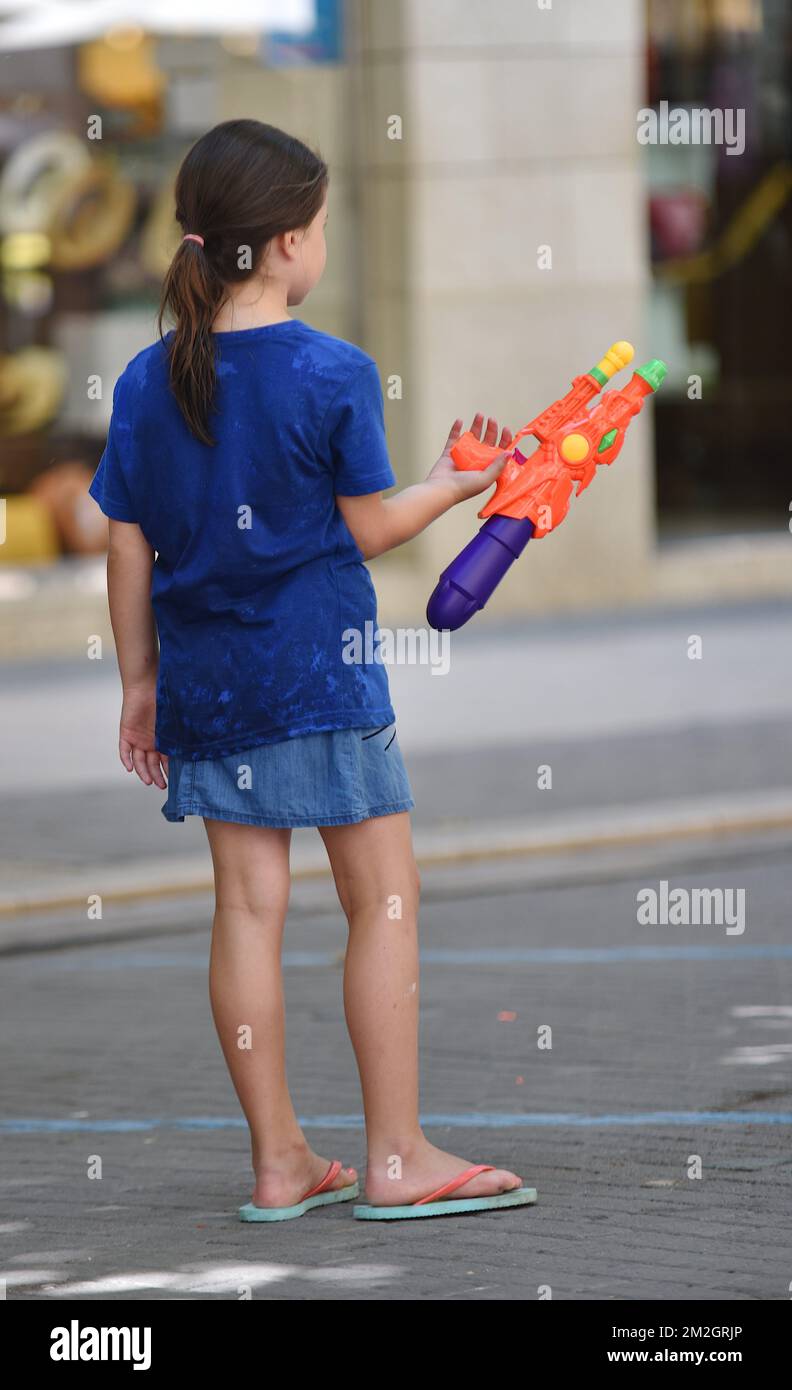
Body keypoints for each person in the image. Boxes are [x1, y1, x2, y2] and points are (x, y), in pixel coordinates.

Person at [90, 119, 536, 1221]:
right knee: (382, 896)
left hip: (208, 684)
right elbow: (373, 529)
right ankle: (395, 1156)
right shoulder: (332, 371)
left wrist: (139, 687)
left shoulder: (150, 380)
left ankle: (281, 1162)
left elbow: (126, 542)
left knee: (247, 909)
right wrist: (453, 481)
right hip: (322, 680)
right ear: (288, 241)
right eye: (323, 223)